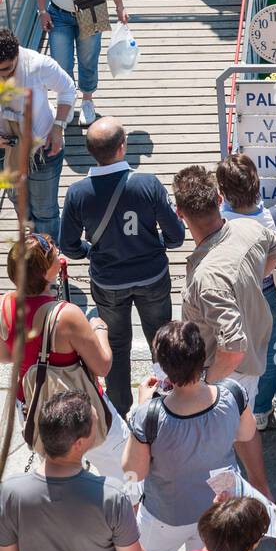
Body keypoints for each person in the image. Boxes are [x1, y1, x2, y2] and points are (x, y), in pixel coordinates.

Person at [123, 320, 257, 551]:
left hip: (164, 515)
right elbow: (246, 433)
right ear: (202, 357)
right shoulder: (233, 393)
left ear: (162, 368)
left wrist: (140, 408)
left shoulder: (150, 415)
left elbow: (134, 470)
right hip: (215, 512)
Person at [175, 164, 276, 499]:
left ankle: (232, 509)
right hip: (254, 353)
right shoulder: (248, 231)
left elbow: (232, 347)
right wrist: (251, 280)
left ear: (180, 214)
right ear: (218, 199)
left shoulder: (208, 277)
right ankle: (261, 490)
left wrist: (203, 381)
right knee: (244, 421)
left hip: (224, 370)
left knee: (216, 446)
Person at [59, 117, 184, 416]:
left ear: (91, 152)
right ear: (122, 147)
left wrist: (90, 251)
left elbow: (69, 245)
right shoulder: (147, 183)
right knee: (161, 338)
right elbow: (176, 236)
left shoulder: (78, 193)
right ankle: (163, 400)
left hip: (108, 282)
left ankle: (120, 408)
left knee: (115, 344)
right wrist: (158, 244)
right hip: (152, 276)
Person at [0, 392, 154, 551]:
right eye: (94, 420)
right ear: (79, 444)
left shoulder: (11, 494)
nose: (98, 420)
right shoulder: (111, 495)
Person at [0, 232, 131, 482]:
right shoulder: (67, 315)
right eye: (53, 254)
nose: (59, 255)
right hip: (79, 405)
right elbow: (102, 366)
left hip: (34, 404)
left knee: (60, 471)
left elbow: (6, 356)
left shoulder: (5, 305)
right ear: (45, 273)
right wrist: (99, 329)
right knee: (122, 463)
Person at [217, 152, 276, 432]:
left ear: (222, 191)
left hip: (231, 295)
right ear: (257, 183)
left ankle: (230, 405)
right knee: (271, 353)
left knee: (230, 349)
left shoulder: (218, 222)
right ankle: (260, 410)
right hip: (269, 294)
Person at [0, 27, 75, 241]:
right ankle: (34, 247)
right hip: (5, 154)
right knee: (19, 204)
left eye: (6, 70)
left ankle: (47, 258)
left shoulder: (38, 64)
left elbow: (68, 89)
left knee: (45, 211)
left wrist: (58, 127)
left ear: (17, 55)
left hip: (43, 149)